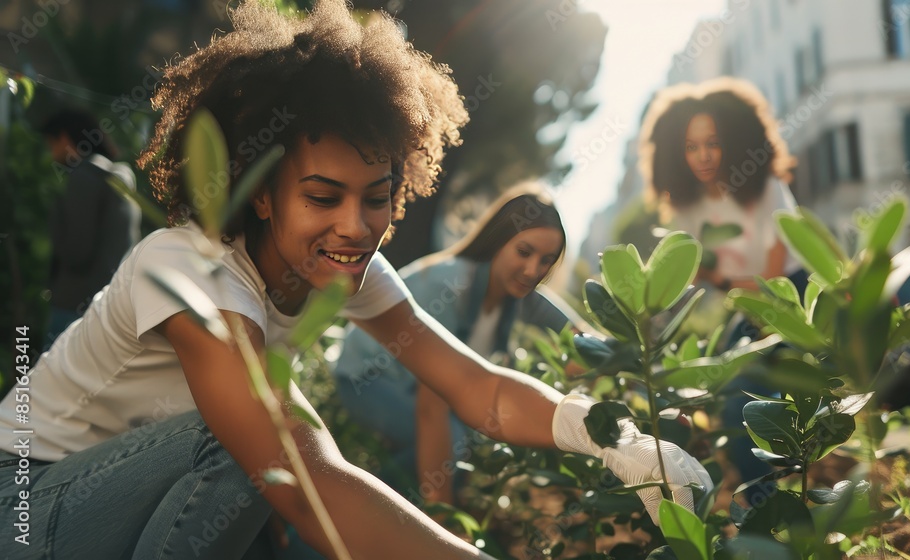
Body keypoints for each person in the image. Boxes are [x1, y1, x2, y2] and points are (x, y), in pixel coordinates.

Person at [0, 2, 711, 559]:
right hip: (24, 505)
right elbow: (308, 483)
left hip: (117, 496)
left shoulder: (341, 267)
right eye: (323, 196)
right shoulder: (187, 270)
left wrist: (617, 441)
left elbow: (477, 388)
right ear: (262, 193)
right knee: (253, 454)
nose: (355, 226)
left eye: (377, 197)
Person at [335, 184, 584, 505]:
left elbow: (581, 339)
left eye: (546, 260)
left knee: (468, 441)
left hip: (418, 390)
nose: (533, 270)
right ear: (498, 242)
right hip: (365, 378)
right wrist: (443, 509)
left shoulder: (519, 294)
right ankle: (357, 518)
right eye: (524, 252)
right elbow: (431, 406)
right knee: (454, 441)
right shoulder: (451, 285)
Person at [639, 77, 804, 506]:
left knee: (738, 404)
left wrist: (719, 280)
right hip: (744, 312)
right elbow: (681, 281)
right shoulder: (689, 208)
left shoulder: (767, 189)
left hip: (795, 308)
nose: (703, 156)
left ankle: (771, 514)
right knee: (715, 394)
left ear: (735, 140)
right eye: (691, 147)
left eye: (712, 142)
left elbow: (773, 286)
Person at [40, 109, 141, 348]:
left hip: (73, 307)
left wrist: (55, 215)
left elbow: (76, 253)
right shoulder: (120, 176)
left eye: (51, 144)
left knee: (51, 382)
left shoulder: (84, 177)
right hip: (109, 307)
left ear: (64, 139)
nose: (51, 153)